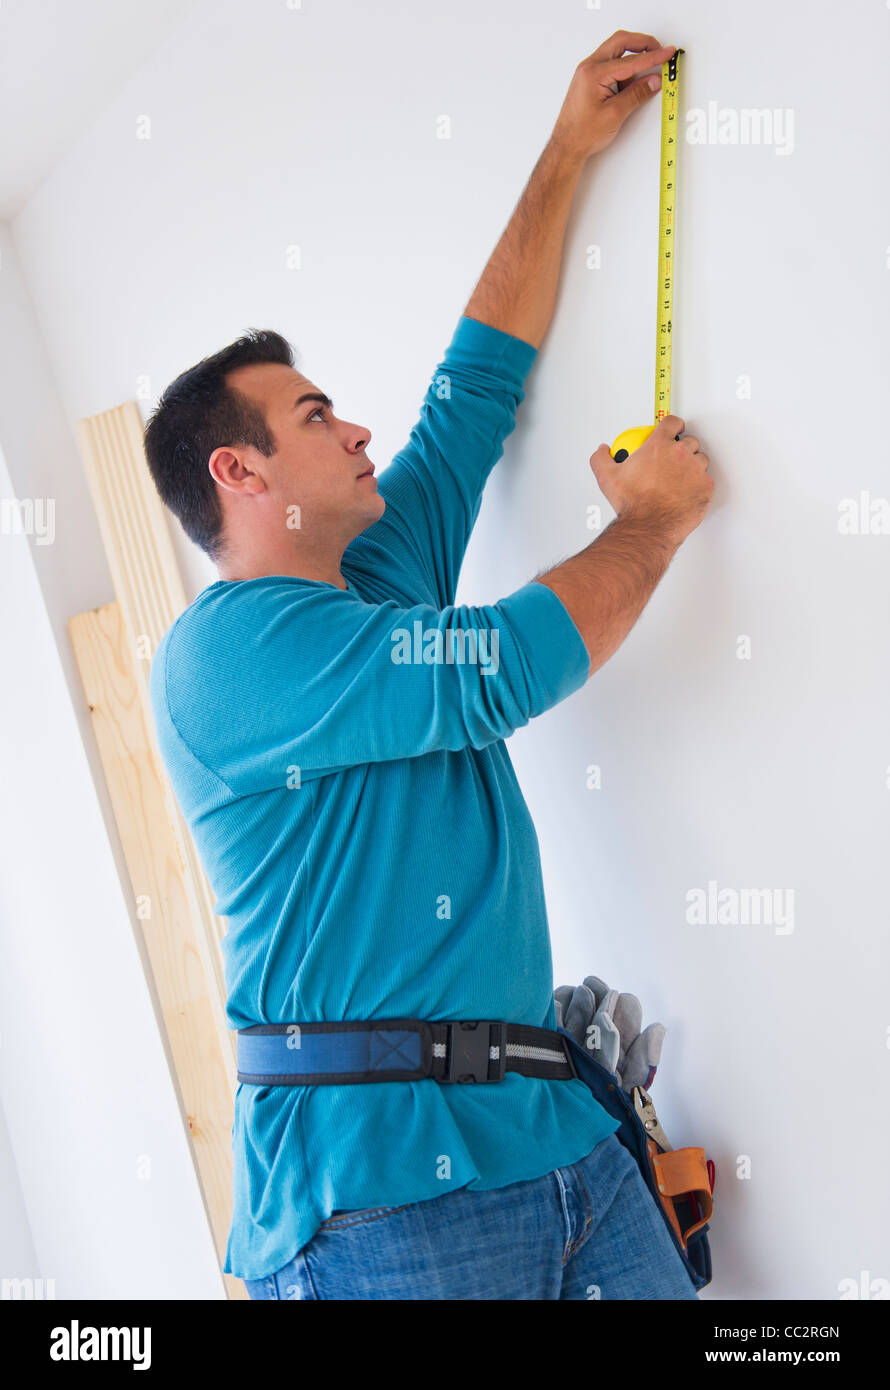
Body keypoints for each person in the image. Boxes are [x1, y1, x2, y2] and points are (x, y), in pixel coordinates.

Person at [145, 29, 712, 1300]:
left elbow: (469, 398)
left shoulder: (376, 575)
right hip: (378, 1207)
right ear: (239, 476)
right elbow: (497, 667)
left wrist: (565, 152)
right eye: (312, 419)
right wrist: (654, 521)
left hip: (561, 1141)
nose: (354, 429)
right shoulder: (226, 661)